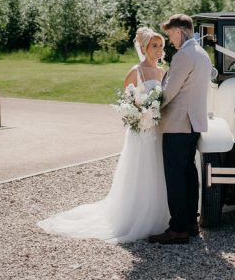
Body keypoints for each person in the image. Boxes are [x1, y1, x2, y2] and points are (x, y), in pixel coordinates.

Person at [37, 27, 169, 243]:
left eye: (161, 46)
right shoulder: (136, 71)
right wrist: (139, 114)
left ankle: (159, 214)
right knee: (141, 172)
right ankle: (134, 216)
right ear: (144, 48)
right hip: (141, 133)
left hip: (157, 131)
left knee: (157, 171)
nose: (158, 50)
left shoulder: (163, 72)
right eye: (154, 46)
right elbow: (127, 102)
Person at [148, 14, 211, 245]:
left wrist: (151, 109)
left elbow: (170, 90)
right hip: (193, 123)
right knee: (188, 174)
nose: (170, 39)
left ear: (180, 31)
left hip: (178, 123)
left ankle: (177, 229)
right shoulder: (202, 54)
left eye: (170, 34)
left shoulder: (185, 55)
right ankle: (191, 223)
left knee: (175, 176)